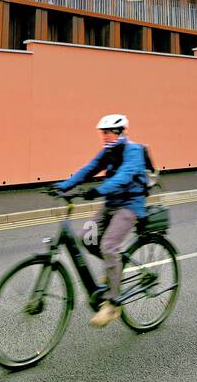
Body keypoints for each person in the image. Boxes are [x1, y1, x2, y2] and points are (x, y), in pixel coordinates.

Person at [53, 113, 151, 327]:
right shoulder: (108, 152)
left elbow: (124, 176)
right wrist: (63, 186)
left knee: (108, 245)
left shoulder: (133, 151)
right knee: (87, 238)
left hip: (130, 205)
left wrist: (98, 190)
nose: (104, 136)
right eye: (102, 133)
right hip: (111, 203)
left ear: (120, 132)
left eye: (107, 132)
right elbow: (89, 169)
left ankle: (113, 304)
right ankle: (113, 266)